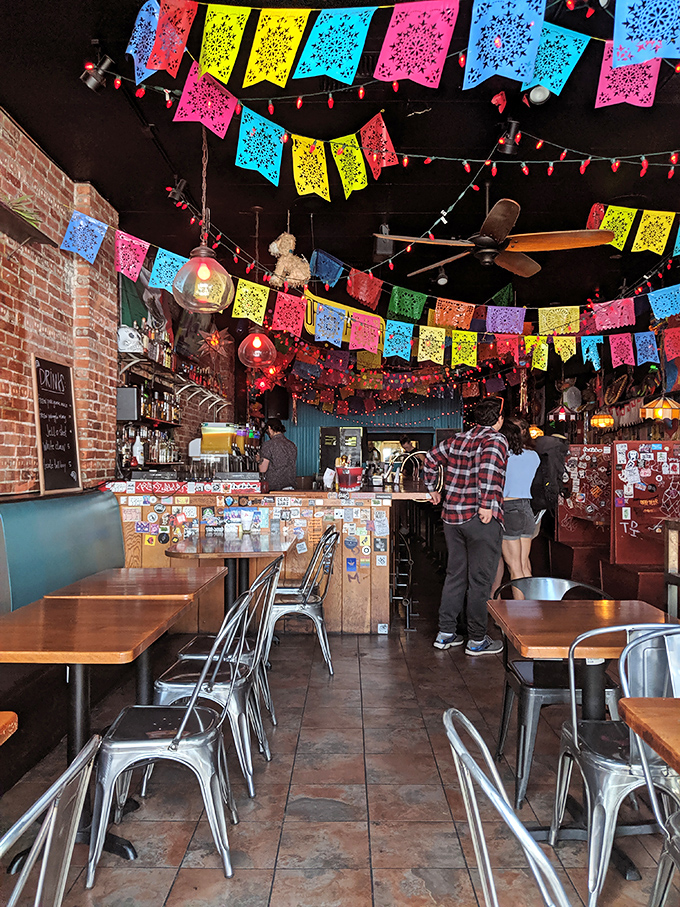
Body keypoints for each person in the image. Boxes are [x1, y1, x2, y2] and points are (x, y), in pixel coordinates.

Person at [424, 397, 508, 656]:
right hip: (479, 518)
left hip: (452, 518)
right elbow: (489, 471)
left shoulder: (455, 440)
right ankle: (476, 639)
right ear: (498, 419)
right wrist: (486, 505)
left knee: (455, 575)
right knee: (480, 580)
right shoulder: (495, 439)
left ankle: (446, 633)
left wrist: (433, 489)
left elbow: (429, 458)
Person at [499, 419, 541, 587]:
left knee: (514, 567)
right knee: (524, 564)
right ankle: (530, 608)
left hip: (508, 508)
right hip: (526, 509)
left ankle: (519, 612)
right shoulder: (533, 456)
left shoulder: (502, 457)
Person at [257, 418, 297, 491]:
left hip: (274, 488)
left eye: (267, 432)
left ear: (269, 428)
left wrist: (259, 460)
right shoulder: (292, 445)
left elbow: (262, 469)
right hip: (291, 486)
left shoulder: (268, 445)